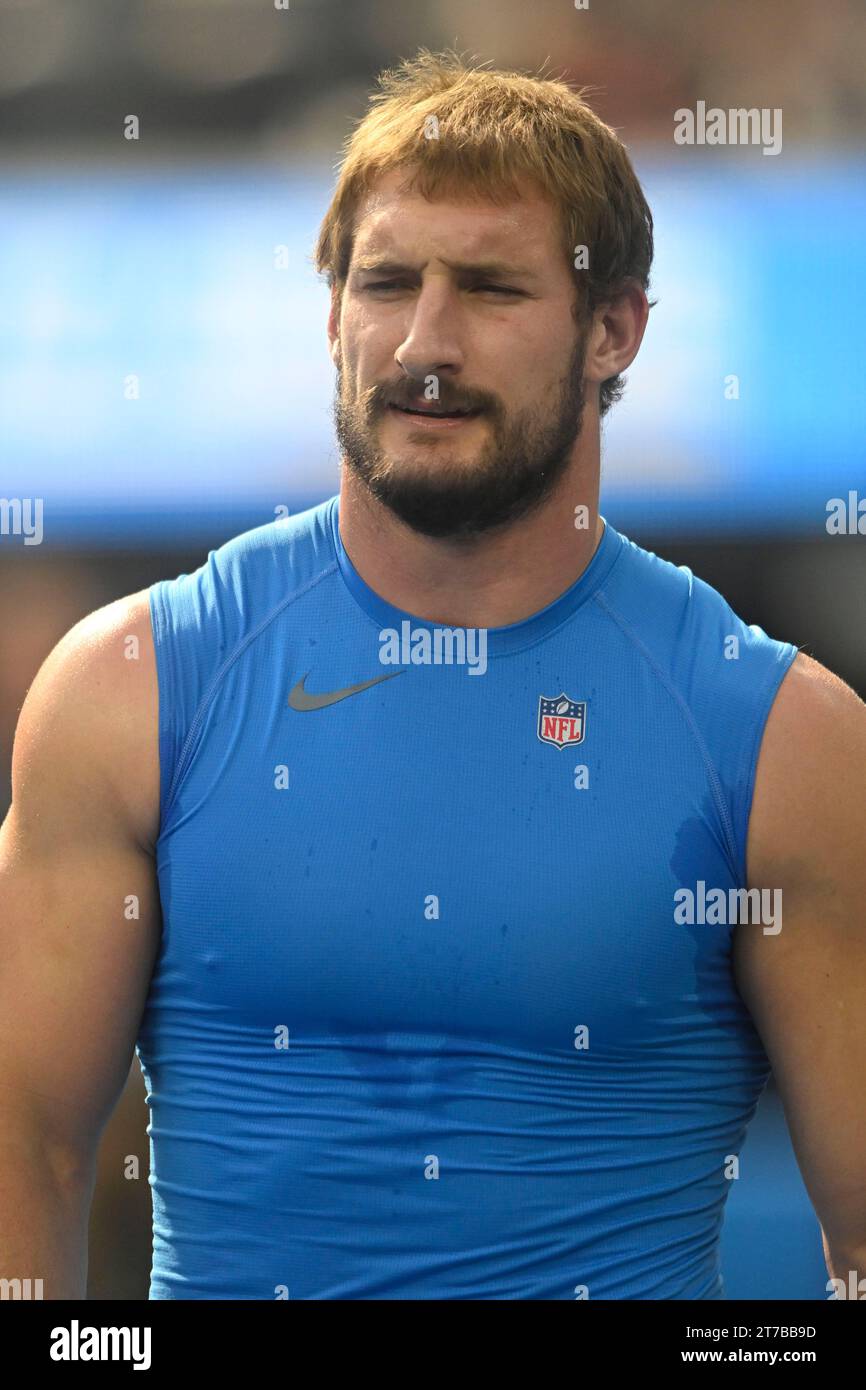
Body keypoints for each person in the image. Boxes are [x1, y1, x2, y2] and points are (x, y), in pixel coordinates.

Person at [1, 50, 864, 1301]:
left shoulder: (779, 736)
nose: (423, 342)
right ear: (331, 312)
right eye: (386, 282)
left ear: (611, 328)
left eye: (491, 288)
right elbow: (22, 1145)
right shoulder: (130, 689)